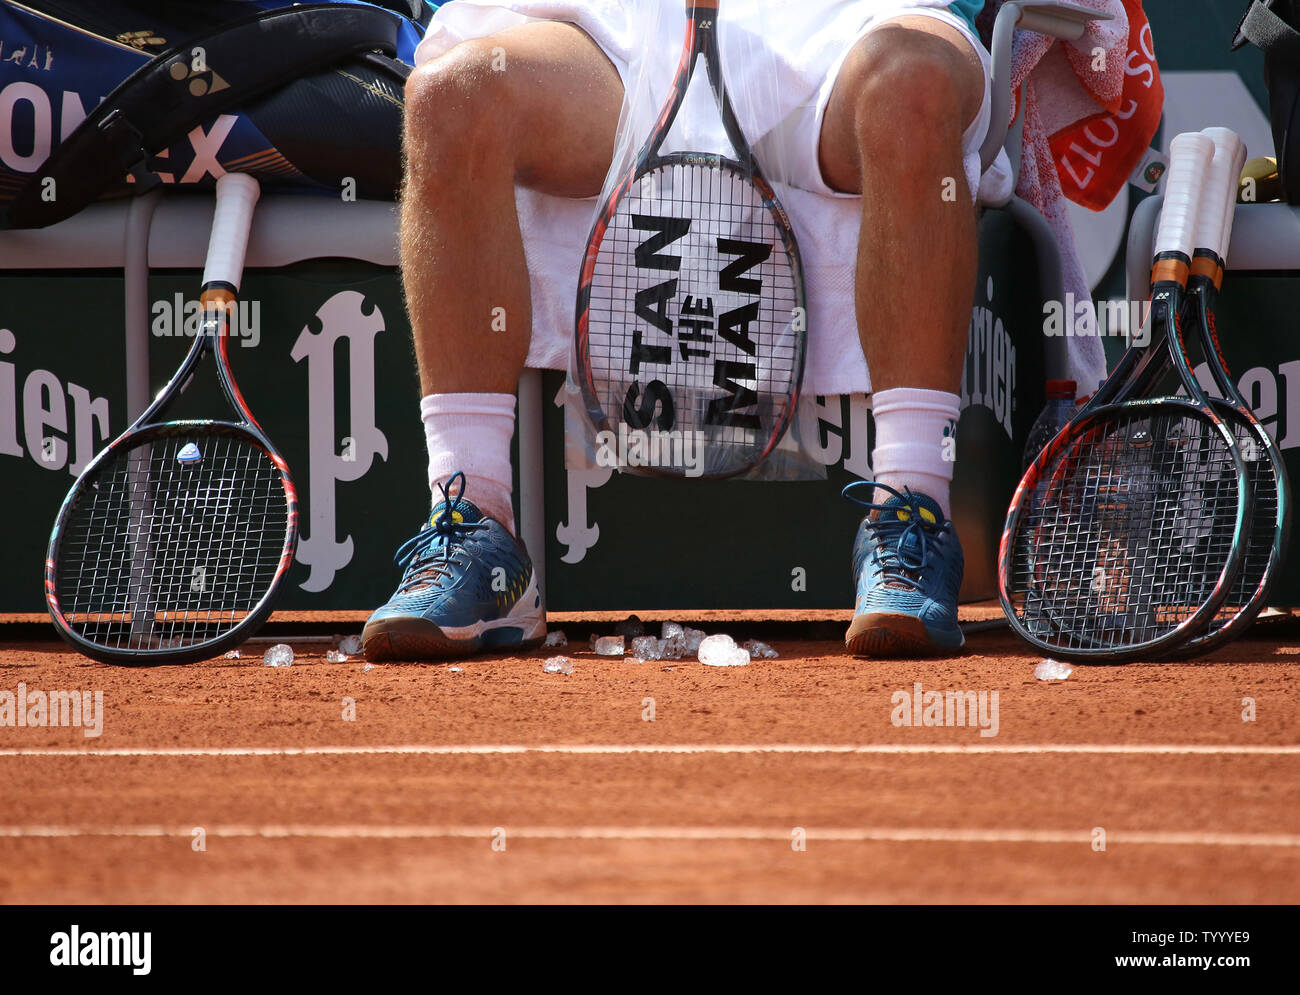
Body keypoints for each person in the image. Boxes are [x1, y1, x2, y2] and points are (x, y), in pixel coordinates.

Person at [362, 0, 989, 661]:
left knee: (912, 85)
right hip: (619, 32)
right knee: (453, 97)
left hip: (847, 26)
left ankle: (912, 515)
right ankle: (474, 527)